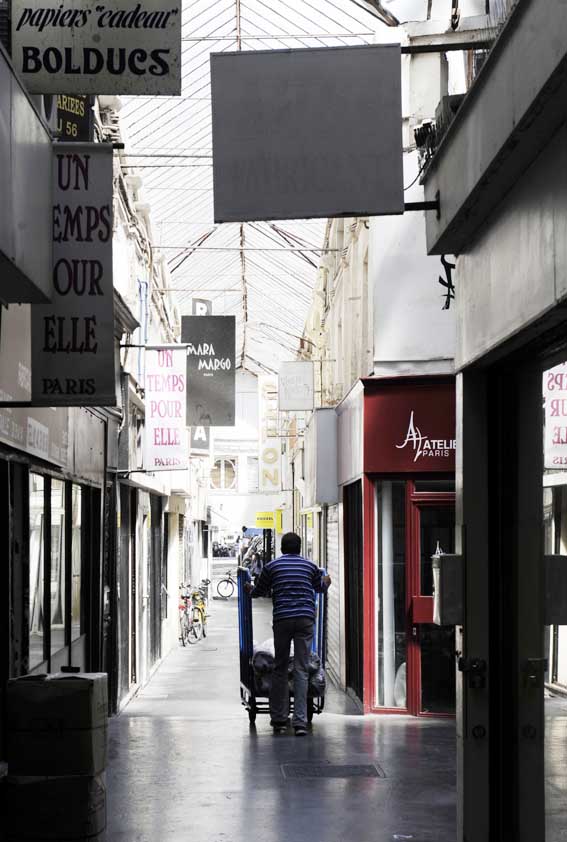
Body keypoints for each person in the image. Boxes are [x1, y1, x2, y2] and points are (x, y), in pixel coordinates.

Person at [244, 532, 331, 736]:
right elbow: (320, 588)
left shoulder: (272, 567)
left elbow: (259, 591)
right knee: (301, 669)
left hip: (282, 620)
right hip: (305, 620)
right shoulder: (310, 566)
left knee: (280, 668)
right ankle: (300, 723)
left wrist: (249, 588)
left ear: (282, 548)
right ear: (299, 548)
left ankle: (279, 720)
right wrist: (326, 581)